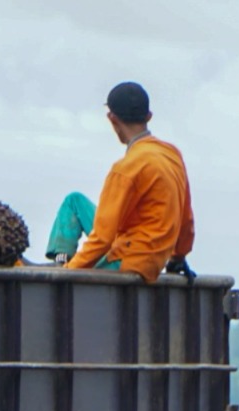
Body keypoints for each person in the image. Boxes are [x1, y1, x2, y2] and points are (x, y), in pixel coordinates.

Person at [46, 81, 195, 283]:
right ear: (149, 116)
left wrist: (67, 274)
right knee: (75, 201)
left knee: (93, 236)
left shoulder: (126, 169)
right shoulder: (172, 154)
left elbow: (103, 240)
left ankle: (62, 264)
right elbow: (186, 220)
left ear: (111, 118)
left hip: (128, 260)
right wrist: (179, 257)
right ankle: (60, 260)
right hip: (150, 255)